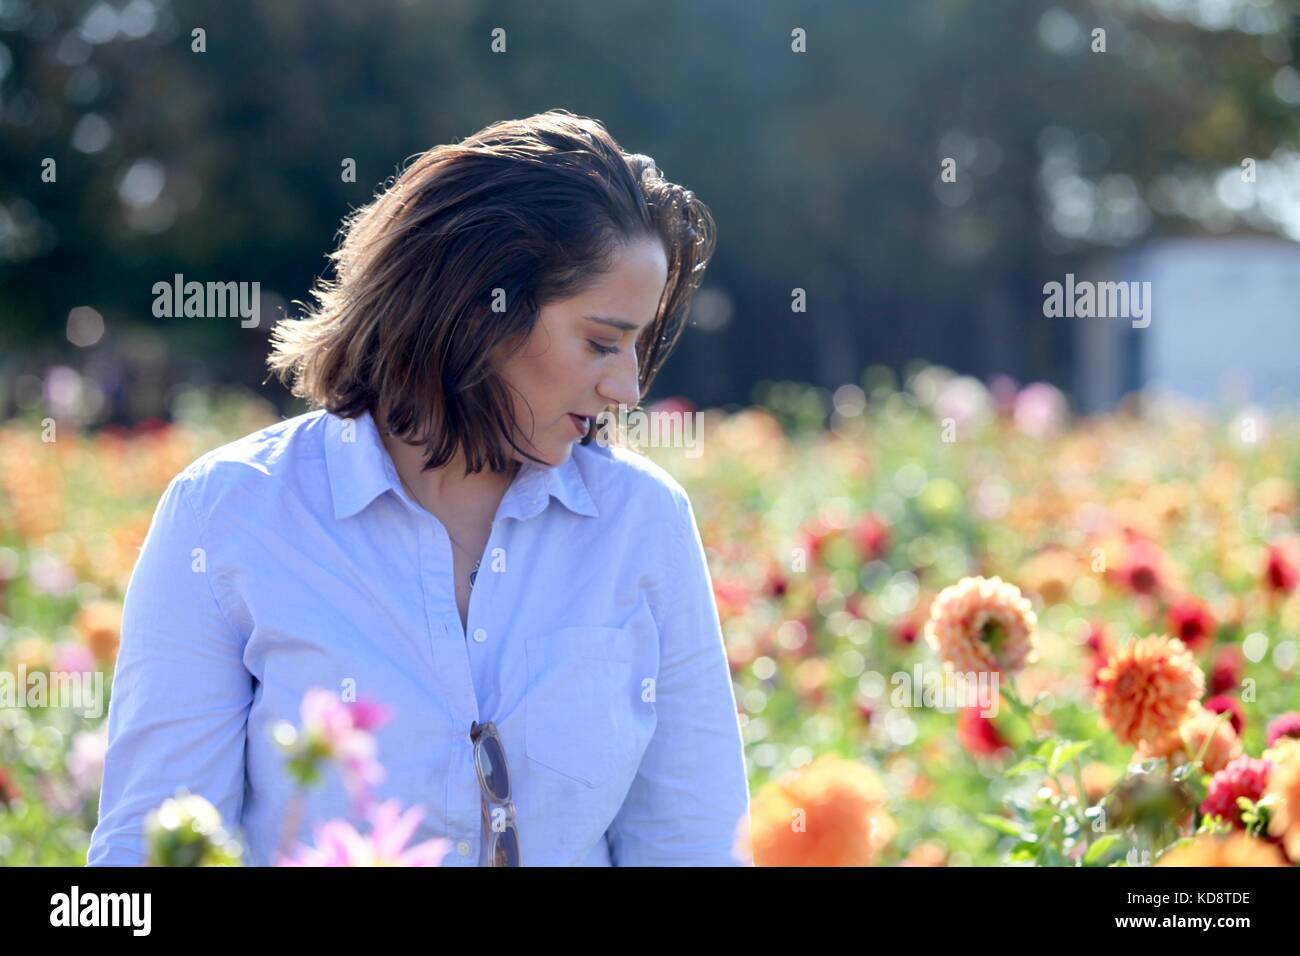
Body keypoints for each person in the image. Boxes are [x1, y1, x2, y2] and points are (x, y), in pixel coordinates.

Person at [87, 109, 752, 867]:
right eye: (602, 342)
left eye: (638, 345)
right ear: (475, 307)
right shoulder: (227, 513)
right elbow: (148, 853)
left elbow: (694, 845)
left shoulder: (644, 520)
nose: (629, 387)